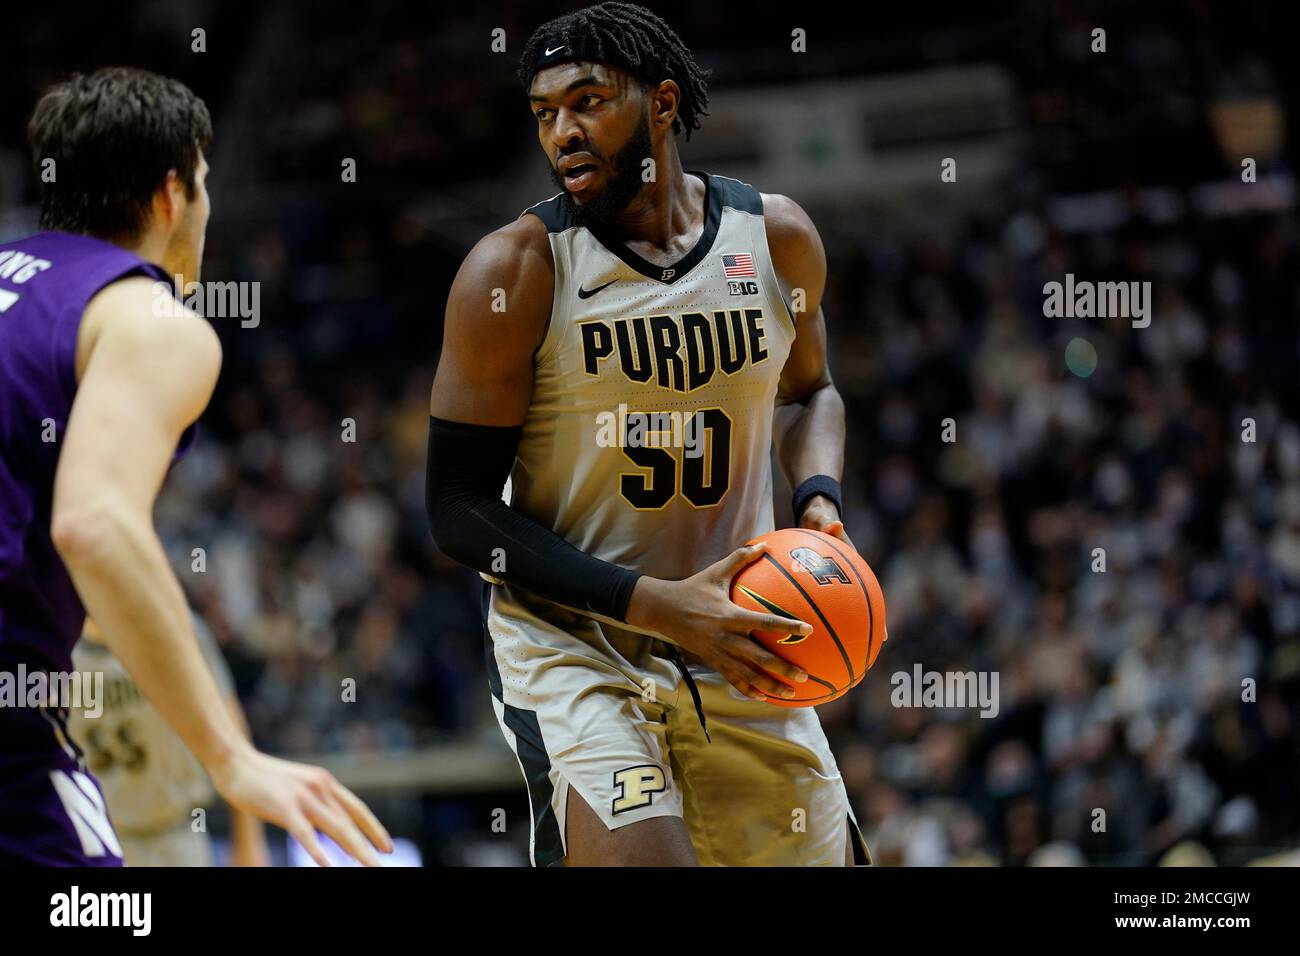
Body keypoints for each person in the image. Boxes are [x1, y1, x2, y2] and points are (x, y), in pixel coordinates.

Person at [426, 3, 869, 866]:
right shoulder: (511, 271)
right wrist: (658, 605)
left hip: (741, 632)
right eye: (546, 113)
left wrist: (817, 500)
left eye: (588, 100)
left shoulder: (775, 238)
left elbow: (810, 393)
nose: (564, 132)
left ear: (663, 104)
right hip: (578, 644)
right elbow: (456, 510)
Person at [0, 67, 390, 867]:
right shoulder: (149, 319)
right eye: (206, 182)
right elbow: (95, 523)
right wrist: (230, 758)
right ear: (172, 193)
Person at [69, 617, 272, 866]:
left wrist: (249, 843)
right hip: (92, 838)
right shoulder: (51, 639)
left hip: (176, 837)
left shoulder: (175, 622)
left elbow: (233, 738)